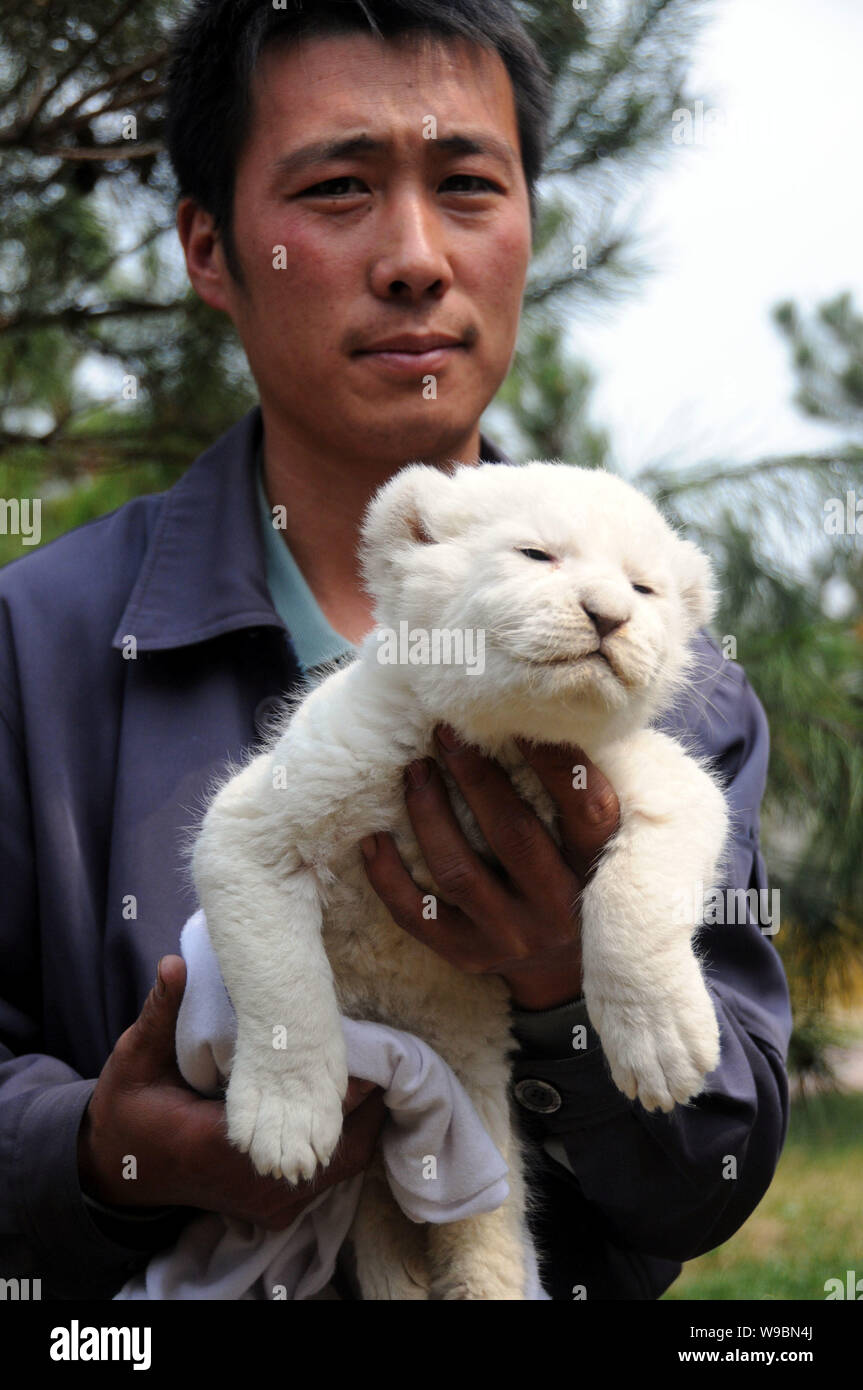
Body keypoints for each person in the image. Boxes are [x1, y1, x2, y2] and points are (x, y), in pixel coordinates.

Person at [0, 0, 791, 1301]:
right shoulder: (38, 645)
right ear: (210, 246)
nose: (417, 255)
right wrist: (103, 1154)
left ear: (532, 229)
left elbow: (716, 1168)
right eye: (341, 187)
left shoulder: (664, 679)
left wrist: (561, 989)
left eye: (469, 184)